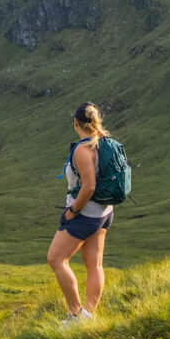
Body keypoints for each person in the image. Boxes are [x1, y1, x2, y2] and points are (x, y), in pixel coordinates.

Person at [49, 101, 113, 325]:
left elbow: (89, 186)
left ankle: (76, 315)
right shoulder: (105, 144)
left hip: (85, 215)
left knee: (56, 259)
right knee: (95, 265)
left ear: (76, 123)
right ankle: (88, 315)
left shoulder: (83, 150)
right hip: (104, 212)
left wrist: (72, 211)